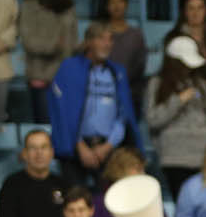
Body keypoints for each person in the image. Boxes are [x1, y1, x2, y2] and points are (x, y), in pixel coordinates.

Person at [47, 27, 141, 184]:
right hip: (74, 149)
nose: (107, 44)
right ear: (88, 42)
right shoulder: (69, 68)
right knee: (75, 196)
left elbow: (123, 115)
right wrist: (80, 145)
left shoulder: (118, 72)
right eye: (101, 38)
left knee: (112, 197)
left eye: (110, 39)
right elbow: (62, 111)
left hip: (108, 150)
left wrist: (108, 146)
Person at [145, 33, 206, 197]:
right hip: (174, 158)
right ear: (174, 62)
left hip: (203, 157)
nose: (188, 68)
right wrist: (178, 100)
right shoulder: (157, 84)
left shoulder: (202, 84)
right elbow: (153, 119)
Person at [20, 0, 80, 123]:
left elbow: (74, 41)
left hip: (66, 75)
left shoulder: (69, 7)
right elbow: (28, 41)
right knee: (45, 125)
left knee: (66, 124)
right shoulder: (30, 5)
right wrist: (53, 46)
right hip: (41, 75)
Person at [90, 0, 151, 117]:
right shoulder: (98, 33)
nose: (116, 6)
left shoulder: (136, 35)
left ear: (126, 4)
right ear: (107, 6)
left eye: (120, 1)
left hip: (130, 94)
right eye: (112, 2)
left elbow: (140, 65)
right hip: (100, 93)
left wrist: (123, 83)